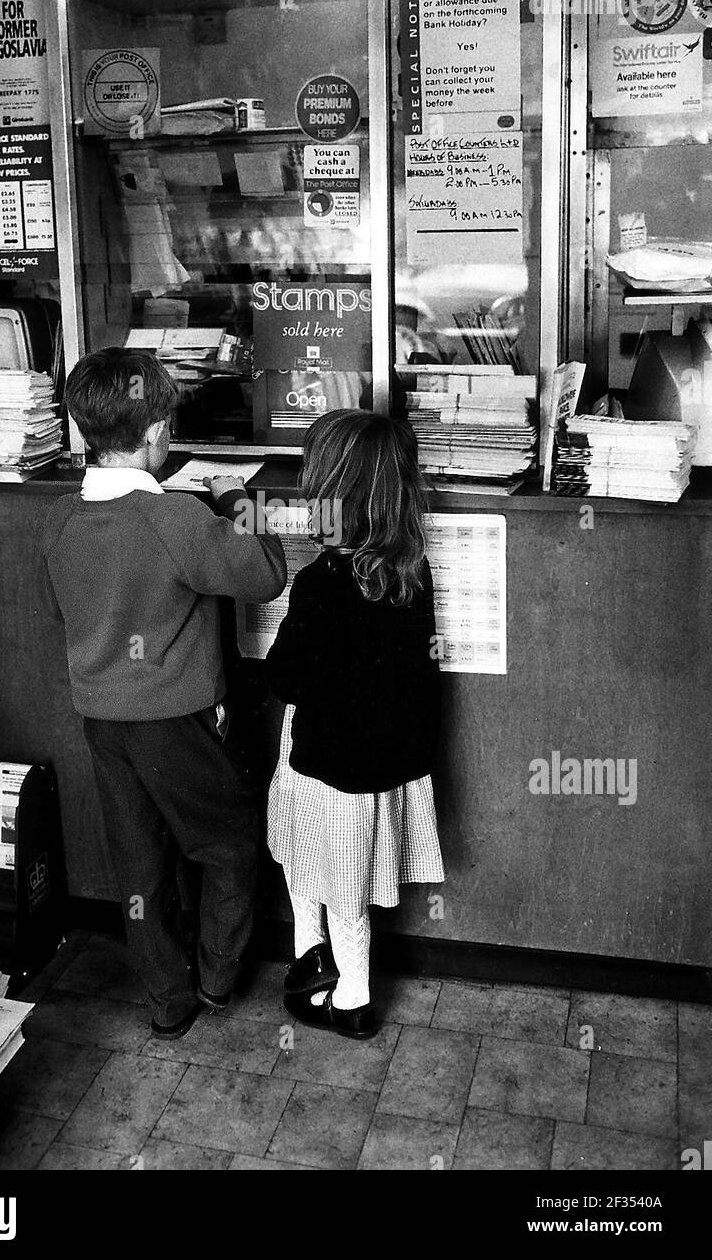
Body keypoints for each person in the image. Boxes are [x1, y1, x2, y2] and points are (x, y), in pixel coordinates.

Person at [39, 348, 286, 1039]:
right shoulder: (175, 519)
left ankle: (165, 1000)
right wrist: (233, 496)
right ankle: (215, 979)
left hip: (101, 719)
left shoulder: (60, 519)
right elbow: (264, 571)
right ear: (155, 435)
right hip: (175, 721)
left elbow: (60, 609)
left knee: (139, 861)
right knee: (228, 844)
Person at [265, 410, 445, 1040]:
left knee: (313, 876)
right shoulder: (411, 575)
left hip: (324, 766)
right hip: (383, 768)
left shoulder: (318, 584)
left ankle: (343, 996)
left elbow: (285, 677)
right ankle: (338, 984)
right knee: (346, 888)